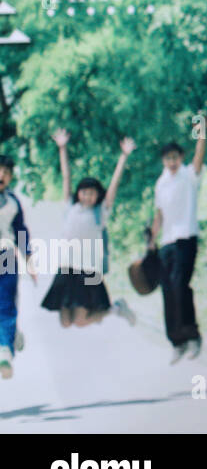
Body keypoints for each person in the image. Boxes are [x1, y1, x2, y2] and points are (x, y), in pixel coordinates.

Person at [39, 129, 137, 329]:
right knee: (65, 322)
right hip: (67, 268)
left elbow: (114, 185)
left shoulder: (99, 213)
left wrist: (124, 156)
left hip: (88, 271)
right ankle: (113, 309)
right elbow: (66, 176)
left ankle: (115, 309)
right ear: (79, 193)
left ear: (97, 196)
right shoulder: (70, 208)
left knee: (80, 321)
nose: (88, 196)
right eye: (84, 192)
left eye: (92, 193)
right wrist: (62, 148)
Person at [150, 132, 207, 363]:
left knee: (180, 286)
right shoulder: (161, 183)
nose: (171, 162)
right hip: (166, 243)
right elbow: (159, 214)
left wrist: (202, 132)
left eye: (175, 158)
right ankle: (177, 342)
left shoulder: (189, 175)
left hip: (186, 238)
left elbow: (199, 156)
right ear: (163, 161)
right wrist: (151, 239)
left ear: (181, 157)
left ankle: (192, 336)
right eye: (167, 159)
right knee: (167, 291)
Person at [0, 153, 38, 378]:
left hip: (6, 255)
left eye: (7, 172)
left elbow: (21, 233)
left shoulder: (13, 203)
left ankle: (5, 350)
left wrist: (29, 262)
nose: (2, 175)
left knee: (4, 304)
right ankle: (10, 335)